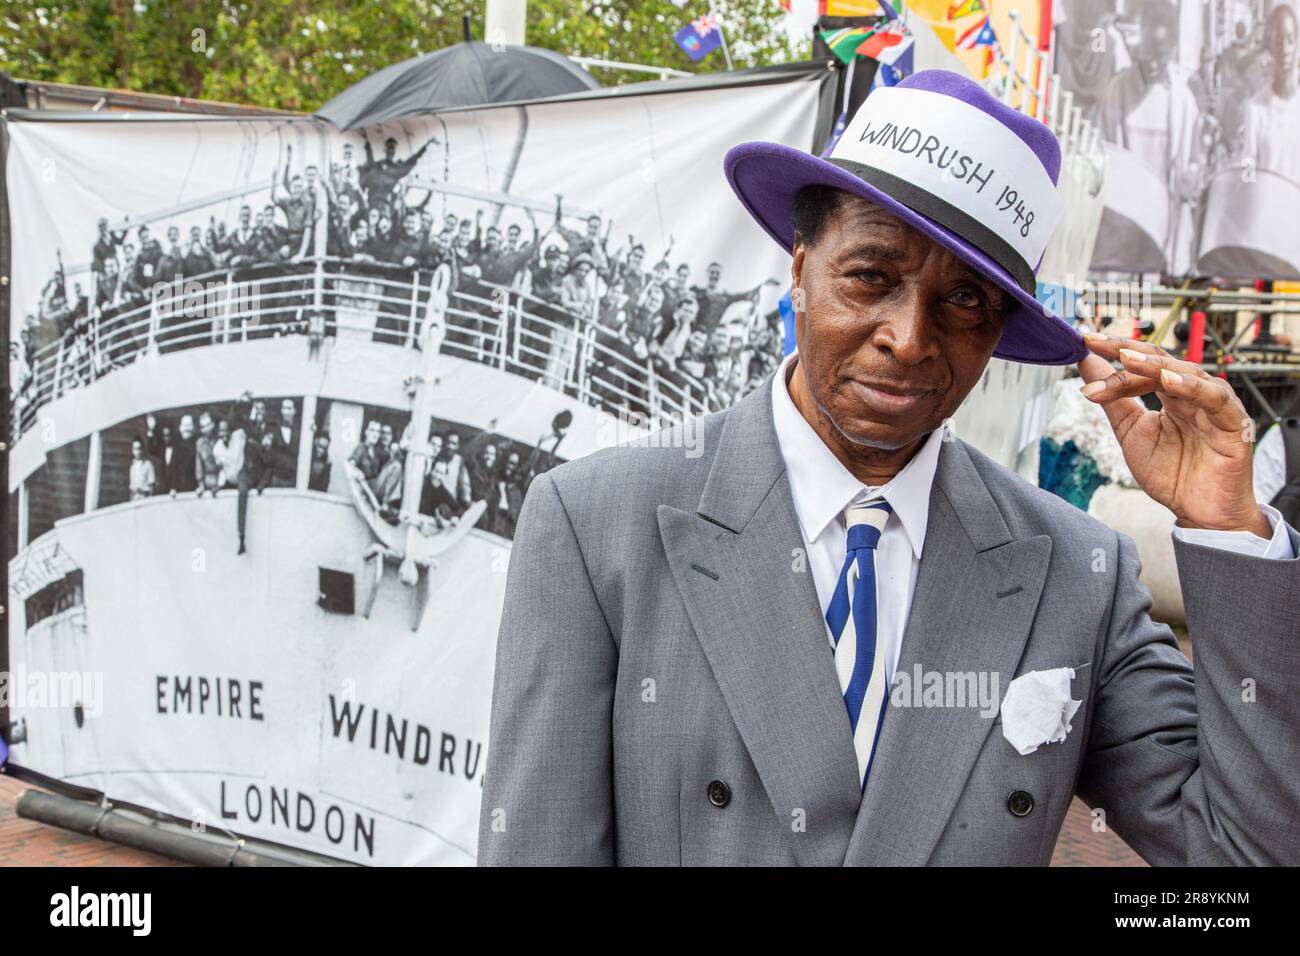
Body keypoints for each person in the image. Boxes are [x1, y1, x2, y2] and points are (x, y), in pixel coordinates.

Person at [479, 70, 1300, 866]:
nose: (909, 338)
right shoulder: (596, 528)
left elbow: (1246, 852)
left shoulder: (1077, 574)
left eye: (967, 300)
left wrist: (1229, 532)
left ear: (998, 333)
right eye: (871, 275)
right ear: (799, 268)